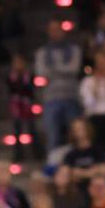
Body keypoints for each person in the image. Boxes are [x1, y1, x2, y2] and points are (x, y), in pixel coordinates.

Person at [35, 19, 83, 151]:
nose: (55, 32)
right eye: (52, 30)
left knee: (75, 134)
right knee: (52, 136)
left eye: (57, 29)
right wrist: (63, 70)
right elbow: (41, 72)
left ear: (63, 31)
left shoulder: (74, 50)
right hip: (51, 99)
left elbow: (74, 69)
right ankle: (52, 166)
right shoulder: (42, 52)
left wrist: (53, 70)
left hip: (71, 96)